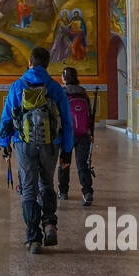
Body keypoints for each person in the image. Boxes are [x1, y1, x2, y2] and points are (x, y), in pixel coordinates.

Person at [0, 45, 74, 253]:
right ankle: (49, 223)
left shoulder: (17, 86)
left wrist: (5, 145)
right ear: (47, 65)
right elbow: (67, 121)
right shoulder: (56, 88)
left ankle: (33, 238)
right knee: (47, 184)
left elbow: (6, 118)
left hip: (24, 143)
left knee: (29, 188)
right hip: (51, 144)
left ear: (29, 63)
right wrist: (67, 150)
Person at [59, 67, 95, 206]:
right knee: (83, 165)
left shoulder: (62, 92)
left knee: (64, 163)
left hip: (67, 134)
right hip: (84, 134)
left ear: (64, 78)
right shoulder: (83, 92)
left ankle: (63, 192)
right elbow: (89, 114)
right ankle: (87, 192)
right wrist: (90, 132)